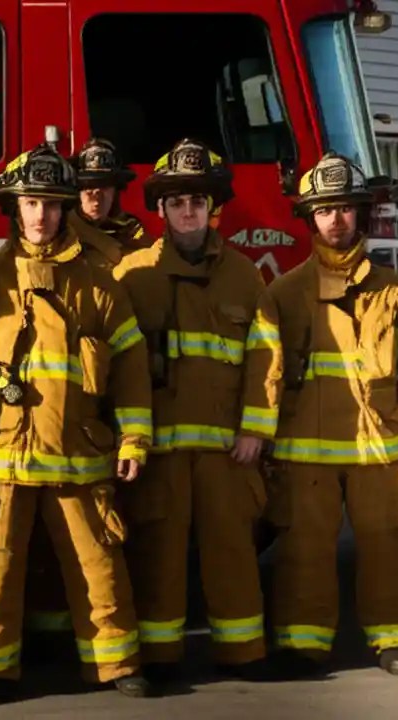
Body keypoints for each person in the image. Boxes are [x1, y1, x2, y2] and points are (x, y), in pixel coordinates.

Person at [0, 145, 154, 703]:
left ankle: (116, 664)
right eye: (30, 203)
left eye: (50, 204)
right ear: (13, 210)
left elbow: (132, 371)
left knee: (98, 561)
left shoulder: (100, 285)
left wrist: (134, 437)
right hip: (4, 458)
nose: (40, 216)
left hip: (78, 455)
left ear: (67, 211)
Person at [261, 152, 398, 678]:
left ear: (360, 214)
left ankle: (394, 638)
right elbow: (264, 371)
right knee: (304, 549)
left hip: (379, 448)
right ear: (310, 218)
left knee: (387, 545)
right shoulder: (283, 293)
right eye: (325, 210)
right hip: (305, 451)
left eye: (345, 208)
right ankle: (304, 643)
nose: (337, 220)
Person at [113, 139, 274, 683]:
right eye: (178, 201)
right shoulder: (132, 275)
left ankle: (245, 655)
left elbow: (265, 357)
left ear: (213, 209)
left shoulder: (246, 276)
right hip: (159, 446)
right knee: (159, 554)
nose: (188, 212)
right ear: (159, 209)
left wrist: (256, 428)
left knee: (232, 551)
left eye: (198, 202)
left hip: (227, 449)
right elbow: (116, 359)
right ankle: (159, 659)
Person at [70, 138, 148, 253]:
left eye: (105, 186)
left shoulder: (131, 230)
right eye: (90, 187)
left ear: (115, 192)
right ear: (78, 191)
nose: (97, 198)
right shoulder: (65, 232)